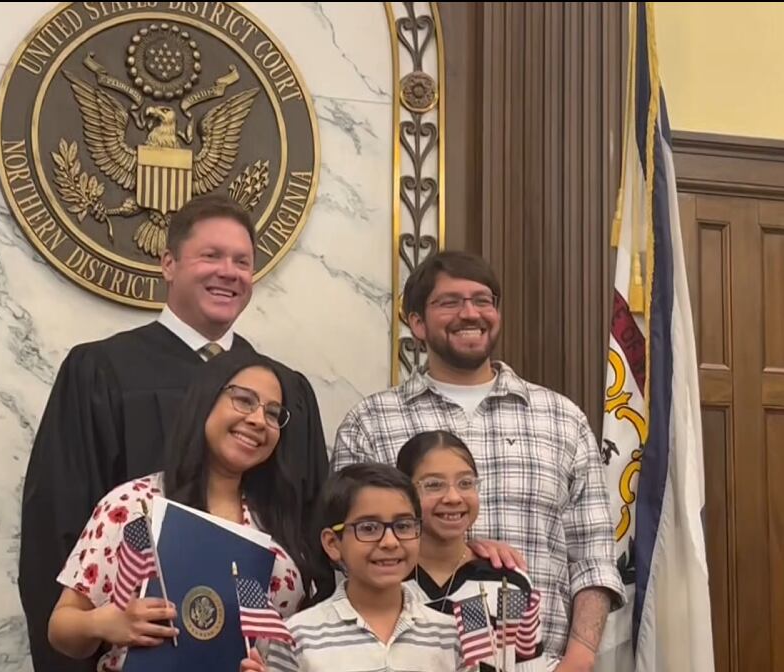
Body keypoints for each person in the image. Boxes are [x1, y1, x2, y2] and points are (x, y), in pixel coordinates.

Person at [20, 195, 328, 671]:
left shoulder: (287, 391)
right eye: (211, 256)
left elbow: (312, 529)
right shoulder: (100, 370)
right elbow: (56, 530)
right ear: (168, 264)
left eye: (242, 261)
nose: (228, 272)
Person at [331, 250, 625, 670]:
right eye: (449, 302)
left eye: (483, 300)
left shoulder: (562, 418)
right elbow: (350, 553)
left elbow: (594, 558)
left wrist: (578, 658)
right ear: (416, 322)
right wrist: (456, 553)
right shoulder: (371, 422)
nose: (470, 313)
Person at [48, 349, 332, 671]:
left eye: (273, 413)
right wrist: (105, 624)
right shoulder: (131, 505)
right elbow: (62, 628)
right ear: (205, 402)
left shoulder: (283, 521)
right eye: (244, 400)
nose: (257, 420)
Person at [241, 462, 461, 672]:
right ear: (332, 543)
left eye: (403, 526)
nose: (390, 542)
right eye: (368, 528)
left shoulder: (450, 635)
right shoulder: (297, 636)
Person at [397, 430, 546, 671]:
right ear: (403, 493)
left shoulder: (507, 583)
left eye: (466, 483)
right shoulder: (388, 579)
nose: (453, 497)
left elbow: (526, 664)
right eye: (434, 485)